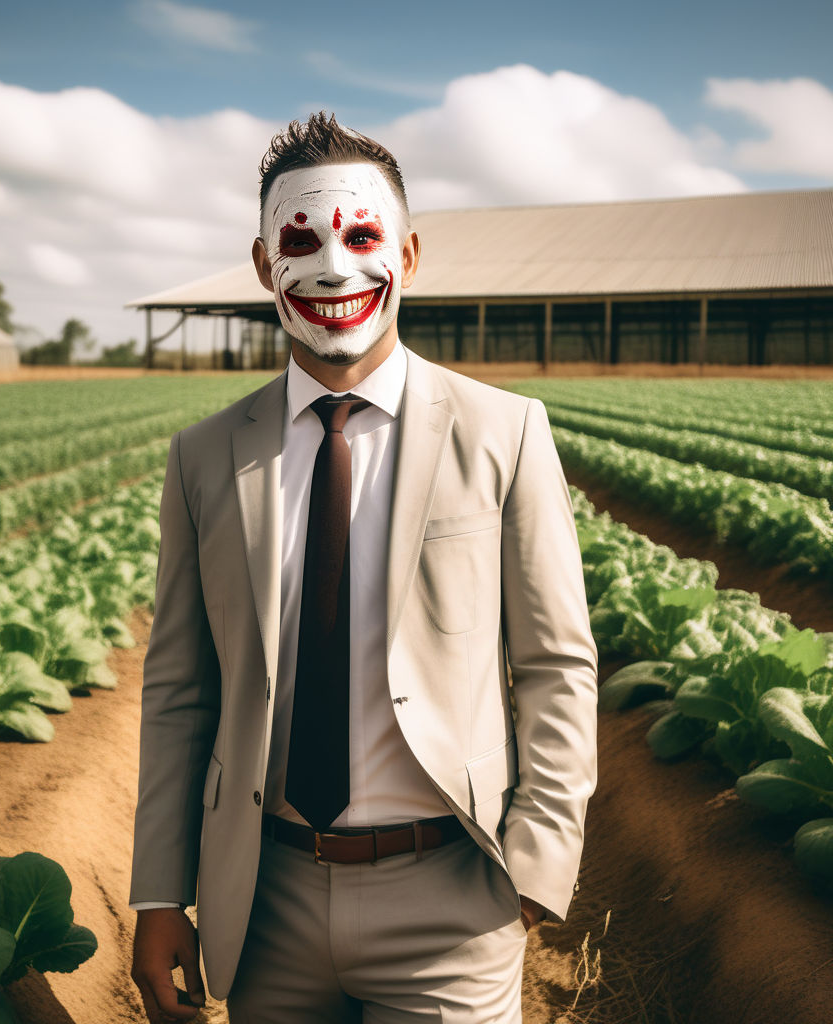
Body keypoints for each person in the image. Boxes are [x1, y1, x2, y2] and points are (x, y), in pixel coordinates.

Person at [129, 112, 598, 1023]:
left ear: (409, 256)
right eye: (299, 241)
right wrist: (158, 892)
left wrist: (541, 858)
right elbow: (180, 689)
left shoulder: (505, 432)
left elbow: (556, 665)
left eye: (363, 236)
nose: (333, 268)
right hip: (265, 898)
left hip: (451, 901)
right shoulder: (205, 456)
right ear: (265, 265)